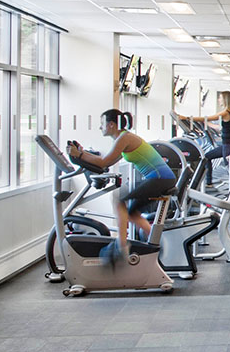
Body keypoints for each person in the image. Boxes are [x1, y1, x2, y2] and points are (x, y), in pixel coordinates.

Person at [68, 109, 178, 261]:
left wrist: (80, 155)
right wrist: (82, 153)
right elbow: (107, 161)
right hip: (161, 178)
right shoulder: (123, 138)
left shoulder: (124, 138)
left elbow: (104, 162)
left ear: (111, 124)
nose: (100, 127)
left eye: (102, 123)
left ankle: (121, 246)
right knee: (130, 212)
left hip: (160, 178)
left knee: (119, 201)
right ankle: (156, 242)